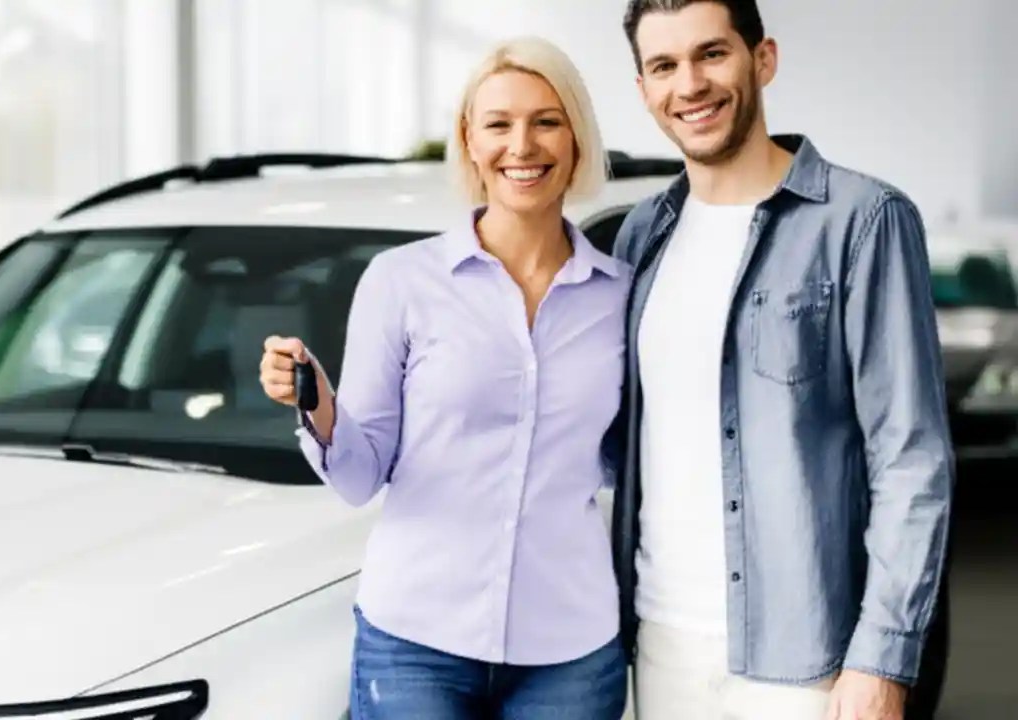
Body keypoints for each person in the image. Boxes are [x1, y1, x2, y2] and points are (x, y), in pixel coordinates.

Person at [260, 37, 630, 719]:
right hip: (415, 642)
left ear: (577, 137)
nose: (522, 145)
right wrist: (320, 404)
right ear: (470, 141)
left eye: (547, 121)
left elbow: (626, 461)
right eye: (499, 124)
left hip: (571, 649)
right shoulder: (402, 281)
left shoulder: (621, 296)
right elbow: (359, 476)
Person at [609, 1, 955, 719]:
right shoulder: (643, 234)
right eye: (664, 66)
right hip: (657, 646)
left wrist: (881, 661)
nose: (690, 85)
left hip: (809, 663)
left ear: (762, 59)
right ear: (643, 89)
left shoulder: (862, 220)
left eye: (712, 54)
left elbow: (911, 459)